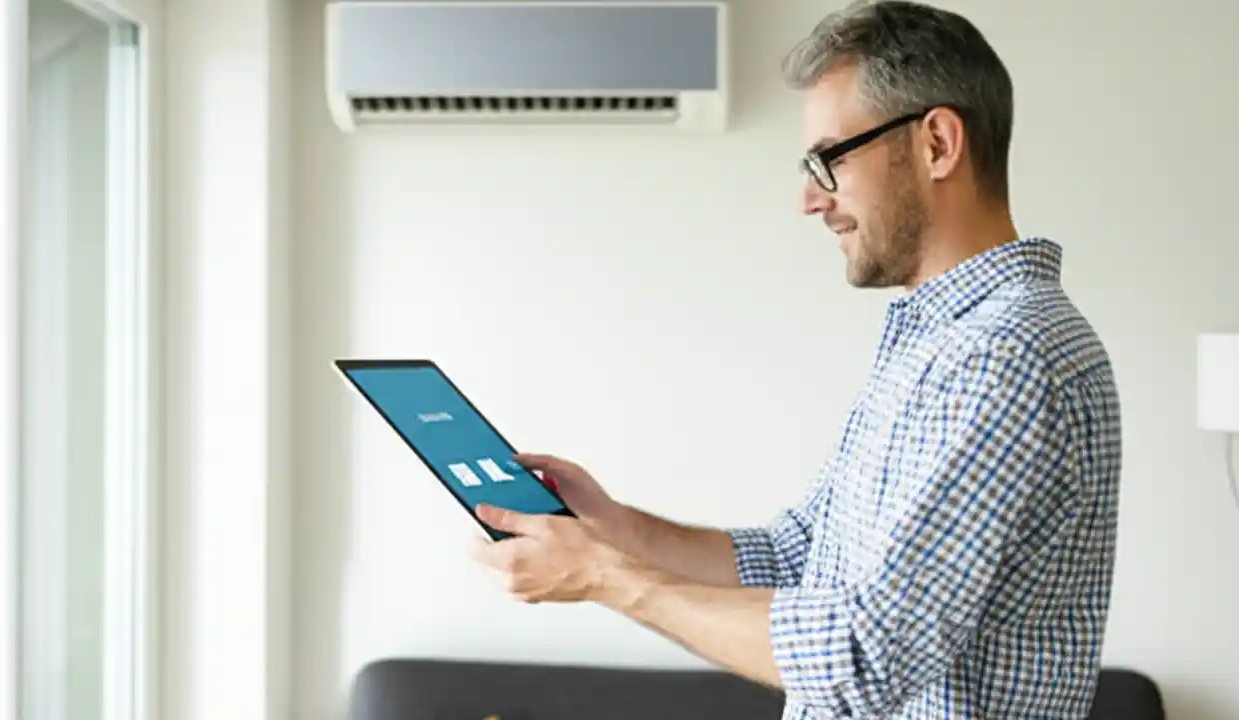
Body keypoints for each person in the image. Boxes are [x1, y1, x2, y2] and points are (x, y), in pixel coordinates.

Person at [471, 1, 1122, 717]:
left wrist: (606, 577)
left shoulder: (1002, 357)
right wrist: (617, 528)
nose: (810, 199)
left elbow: (864, 657)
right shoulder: (940, 346)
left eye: (829, 160)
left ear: (937, 143)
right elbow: (799, 555)